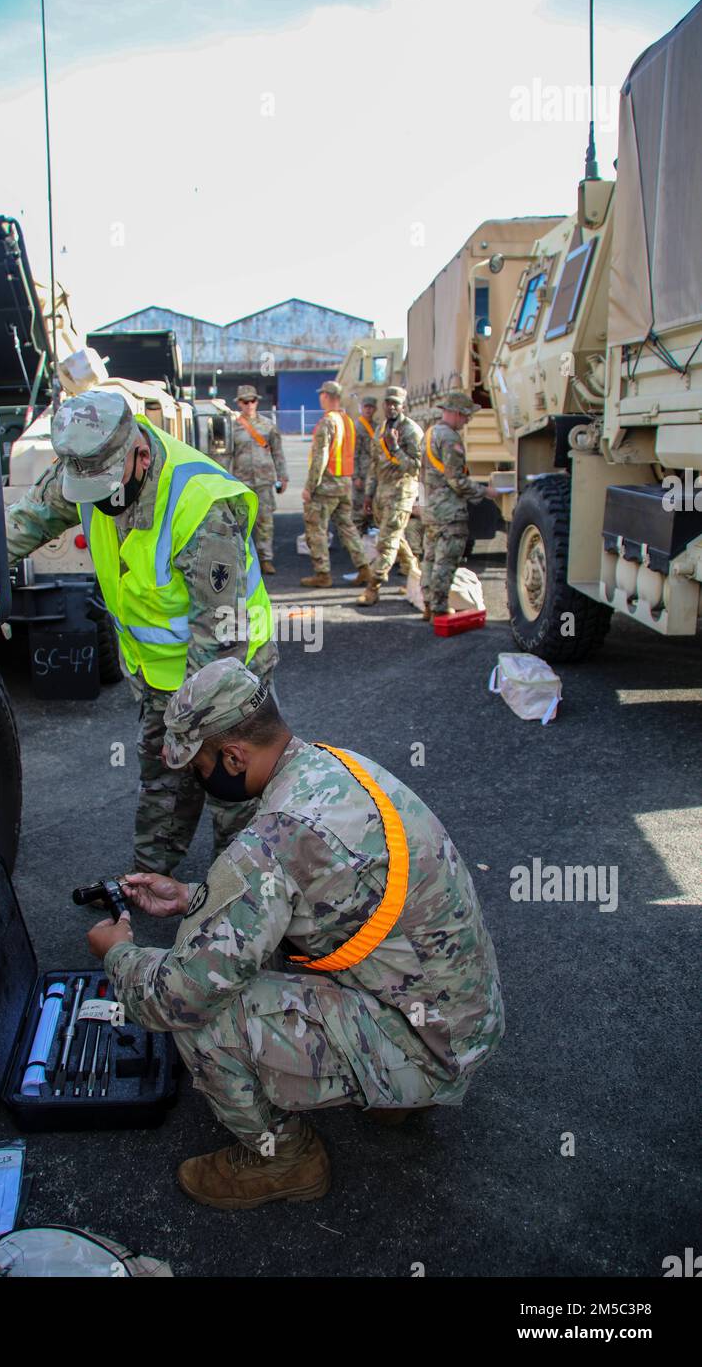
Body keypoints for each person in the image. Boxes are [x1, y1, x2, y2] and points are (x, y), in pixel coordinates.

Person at [87, 657, 505, 1211]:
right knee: (241, 953)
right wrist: (193, 897)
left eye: (199, 766)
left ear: (233, 756)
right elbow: (318, 899)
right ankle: (398, 1093)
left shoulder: (273, 842)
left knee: (210, 1014)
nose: (198, 780)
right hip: (460, 1016)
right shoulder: (334, 767)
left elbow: (178, 996)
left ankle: (280, 1158)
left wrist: (118, 953)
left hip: (430, 1042)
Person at [0, 388, 277, 873]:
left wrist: (186, 728)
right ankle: (148, 878)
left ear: (140, 454)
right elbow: (29, 519)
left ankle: (240, 898)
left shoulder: (201, 506)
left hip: (230, 671)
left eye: (106, 486)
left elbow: (222, 640)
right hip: (159, 672)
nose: (98, 500)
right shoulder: (87, 464)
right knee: (163, 775)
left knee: (234, 790)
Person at [420, 389, 498, 622]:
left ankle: (427, 604)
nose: (467, 420)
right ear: (453, 413)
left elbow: (421, 473)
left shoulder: (430, 433)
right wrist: (486, 491)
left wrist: (421, 505)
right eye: (465, 415)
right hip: (449, 511)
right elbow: (456, 480)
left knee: (430, 558)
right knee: (446, 561)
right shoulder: (451, 438)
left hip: (432, 509)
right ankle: (440, 609)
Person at [300, 381, 372, 589]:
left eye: (321, 394)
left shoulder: (327, 422)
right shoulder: (347, 421)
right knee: (347, 528)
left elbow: (320, 458)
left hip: (326, 485)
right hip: (344, 483)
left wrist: (309, 487)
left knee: (317, 529)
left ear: (327, 396)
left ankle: (322, 574)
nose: (320, 397)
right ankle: (364, 567)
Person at [357, 387, 423, 606]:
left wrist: (395, 448)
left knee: (386, 543)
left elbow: (415, 467)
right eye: (388, 402)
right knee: (395, 538)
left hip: (401, 493)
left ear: (403, 406)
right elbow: (375, 465)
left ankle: (373, 588)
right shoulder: (381, 429)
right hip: (382, 494)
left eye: (396, 403)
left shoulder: (411, 431)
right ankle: (415, 574)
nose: (391, 407)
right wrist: (368, 494)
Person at [228, 384, 288, 575]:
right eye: (245, 401)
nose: (249, 405)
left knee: (265, 521)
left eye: (252, 400)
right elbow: (227, 455)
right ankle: (241, 560)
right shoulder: (232, 427)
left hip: (263, 481)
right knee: (240, 523)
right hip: (241, 482)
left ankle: (266, 559)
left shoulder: (268, 425)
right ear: (239, 403)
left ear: (257, 401)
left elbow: (278, 453)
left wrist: (283, 476)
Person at [352, 395, 378, 532]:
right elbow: (353, 453)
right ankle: (356, 540)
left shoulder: (377, 427)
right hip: (361, 474)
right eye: (366, 407)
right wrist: (355, 476)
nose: (368, 410)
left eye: (371, 407)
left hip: (373, 474)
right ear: (361, 408)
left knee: (372, 508)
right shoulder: (357, 427)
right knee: (358, 510)